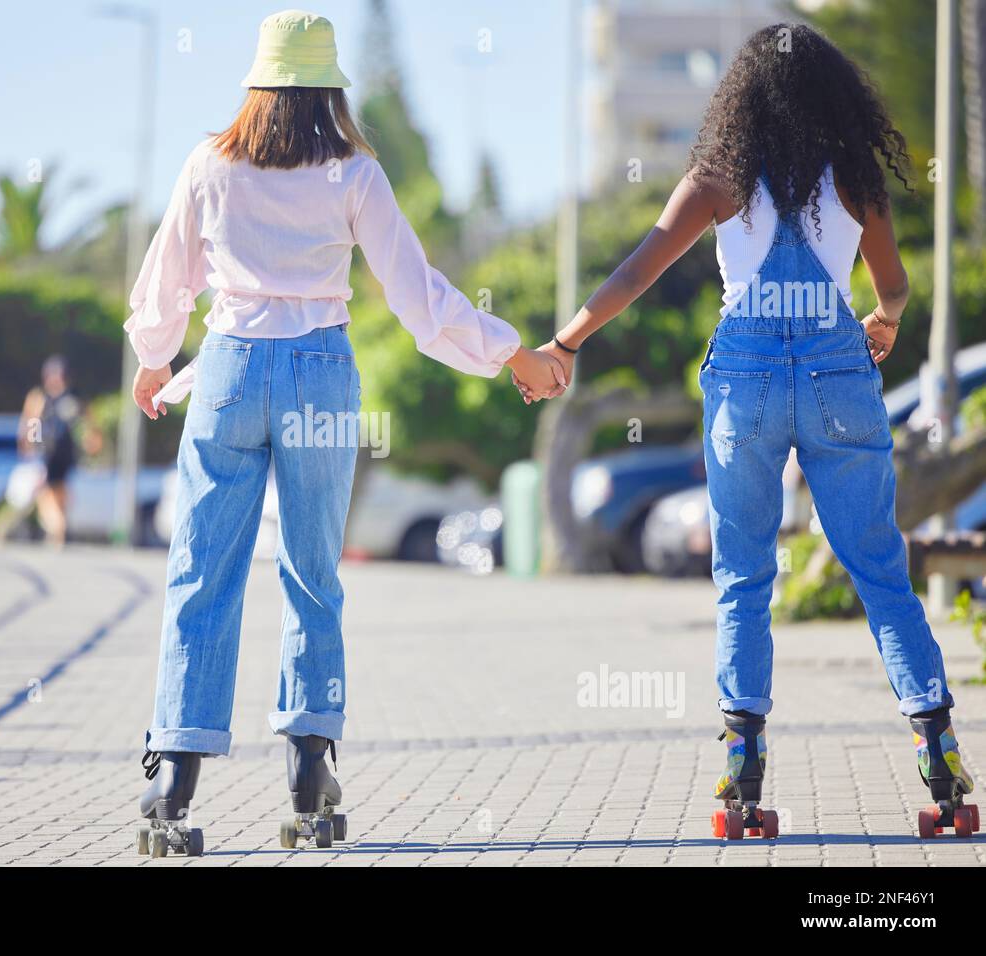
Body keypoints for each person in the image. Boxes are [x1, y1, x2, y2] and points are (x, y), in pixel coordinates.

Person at [125, 10, 564, 856]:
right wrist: (513, 353)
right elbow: (419, 297)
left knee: (201, 572)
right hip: (319, 375)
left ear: (256, 86)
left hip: (228, 372)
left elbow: (167, 280)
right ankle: (309, 771)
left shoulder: (208, 164)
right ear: (330, 90)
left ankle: (172, 778)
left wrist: (153, 360)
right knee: (312, 575)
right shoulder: (355, 172)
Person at [522, 23, 975, 840]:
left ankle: (741, 776)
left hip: (746, 385)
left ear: (744, 98)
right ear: (834, 96)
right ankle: (941, 761)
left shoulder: (719, 176)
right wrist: (885, 318)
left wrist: (566, 343)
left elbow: (640, 267)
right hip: (839, 379)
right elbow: (896, 284)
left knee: (742, 576)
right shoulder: (855, 176)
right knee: (879, 568)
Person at [19, 355, 82, 549]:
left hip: (48, 452)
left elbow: (33, 421)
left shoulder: (40, 397)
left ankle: (57, 529)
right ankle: (59, 531)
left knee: (46, 494)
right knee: (58, 492)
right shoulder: (71, 398)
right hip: (66, 453)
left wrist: (30, 446)